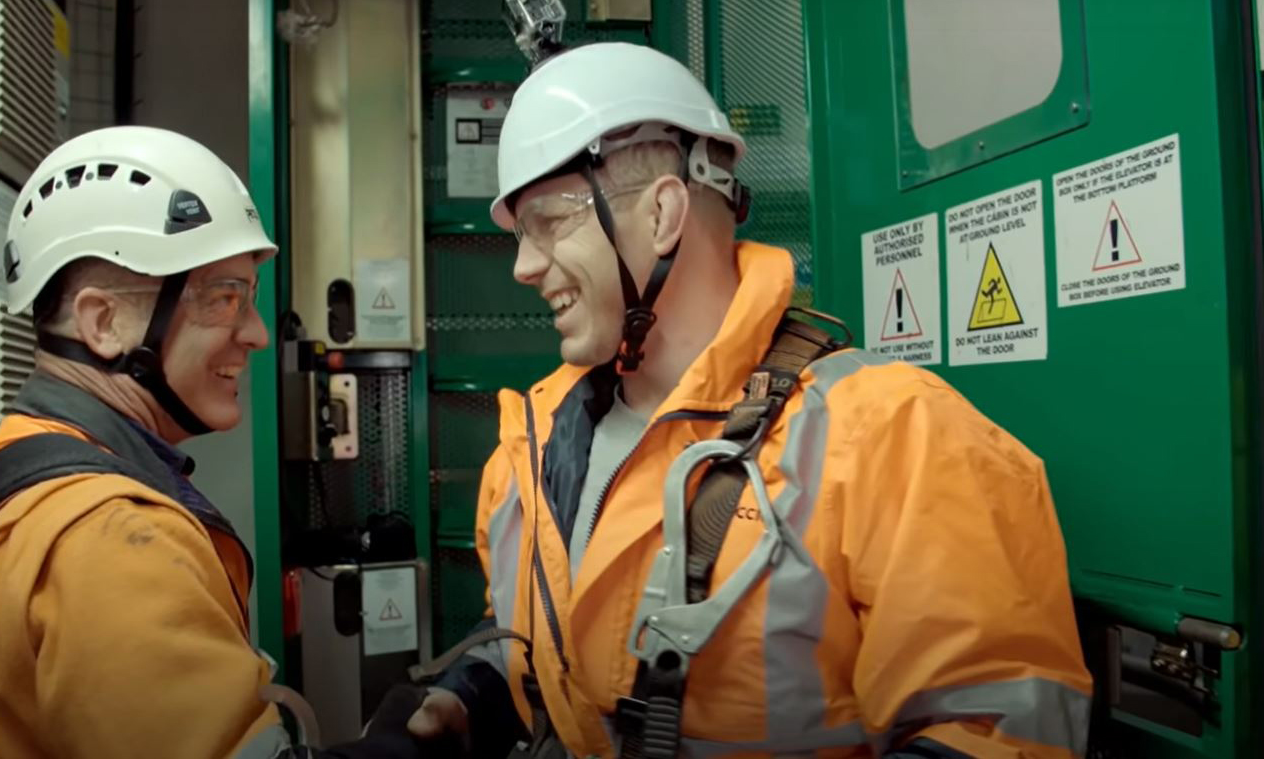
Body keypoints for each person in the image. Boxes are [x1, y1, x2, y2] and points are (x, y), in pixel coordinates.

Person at [408, 43, 1094, 758]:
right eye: (521, 234)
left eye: (549, 222)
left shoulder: (895, 439)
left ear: (663, 213)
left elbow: (994, 732)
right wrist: (463, 701)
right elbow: (539, 639)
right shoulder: (533, 447)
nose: (522, 266)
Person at [0, 126, 431, 759]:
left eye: (248, 297)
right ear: (105, 322)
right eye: (223, 298)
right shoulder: (108, 542)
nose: (257, 333)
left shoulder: (25, 463)